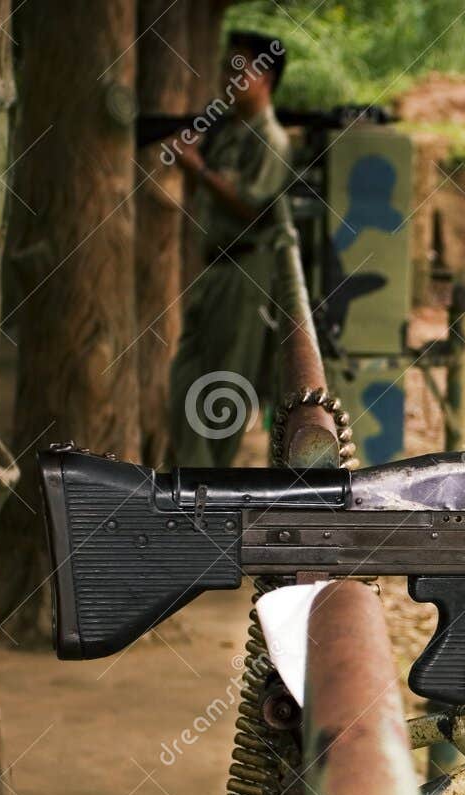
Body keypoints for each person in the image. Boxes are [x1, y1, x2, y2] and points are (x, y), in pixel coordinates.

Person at [165, 31, 292, 468]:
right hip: (215, 266)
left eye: (241, 69)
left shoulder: (270, 138)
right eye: (226, 67)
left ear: (266, 79)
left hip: (244, 269)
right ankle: (194, 481)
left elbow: (250, 205)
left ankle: (210, 490)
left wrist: (197, 168)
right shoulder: (229, 130)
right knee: (186, 376)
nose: (229, 78)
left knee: (223, 385)